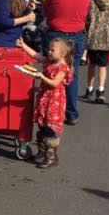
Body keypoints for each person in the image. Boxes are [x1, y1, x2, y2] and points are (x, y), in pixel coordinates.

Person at [42, 0, 91, 126]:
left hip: (57, 34)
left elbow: (46, 11)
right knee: (72, 74)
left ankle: (49, 109)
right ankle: (71, 113)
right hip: (77, 35)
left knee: (51, 72)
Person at [16, 36, 74, 169]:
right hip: (45, 97)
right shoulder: (49, 60)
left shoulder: (63, 67)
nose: (49, 52)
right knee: (42, 124)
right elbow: (36, 55)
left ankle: (51, 157)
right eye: (49, 49)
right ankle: (42, 151)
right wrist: (24, 45)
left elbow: (55, 83)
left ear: (63, 54)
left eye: (52, 50)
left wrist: (41, 76)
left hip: (54, 100)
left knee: (49, 127)